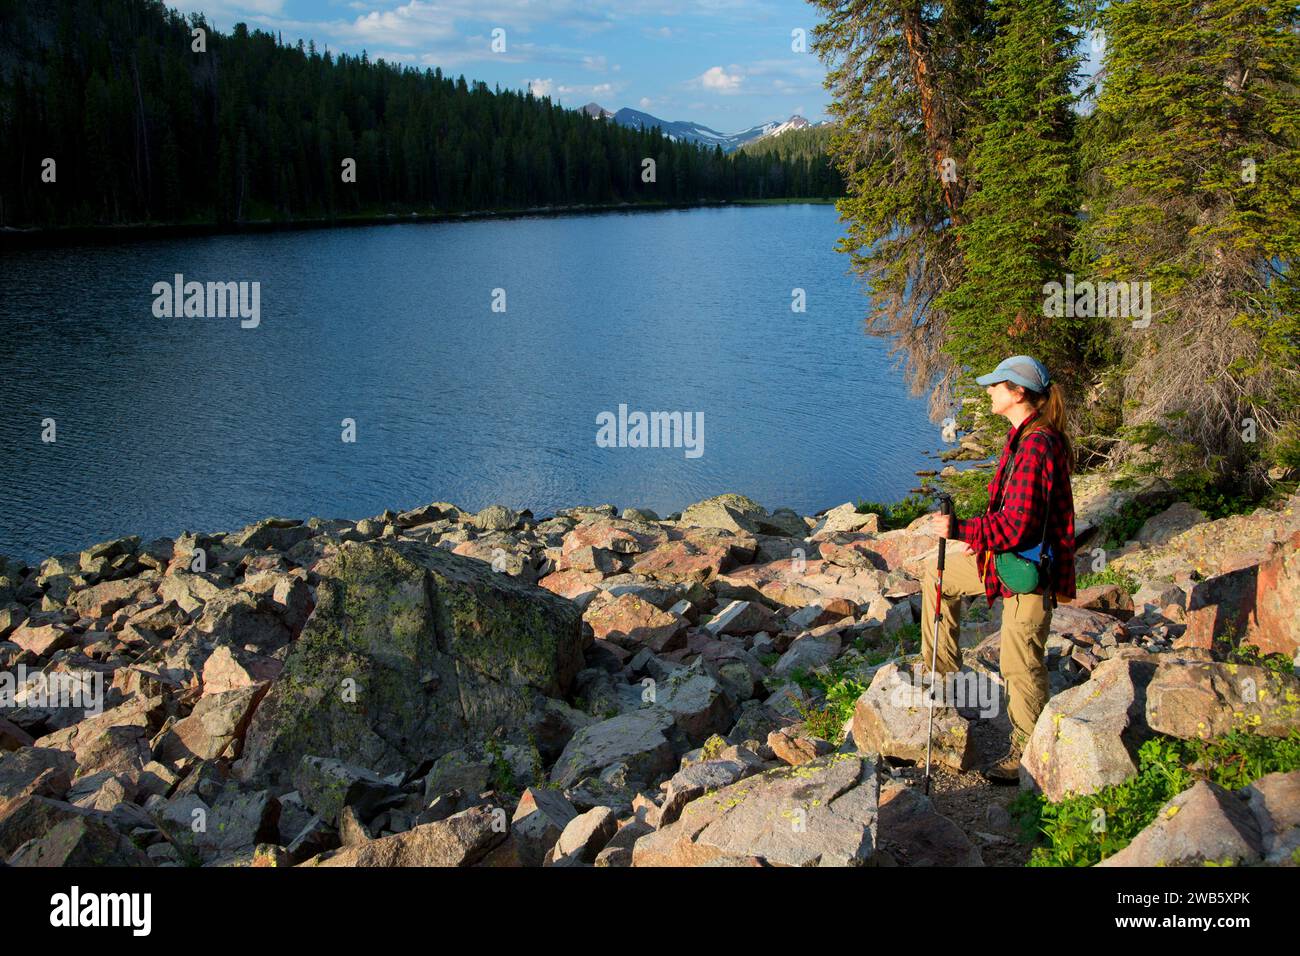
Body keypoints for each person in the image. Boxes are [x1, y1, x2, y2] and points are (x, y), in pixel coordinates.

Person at [920, 355, 1077, 781]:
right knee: (936, 578)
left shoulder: (1037, 445)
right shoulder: (1023, 437)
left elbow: (1019, 524)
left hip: (1030, 571)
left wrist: (962, 529)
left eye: (996, 385)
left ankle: (1027, 757)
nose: (988, 391)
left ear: (1018, 392)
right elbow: (1012, 520)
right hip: (1006, 561)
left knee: (1019, 663)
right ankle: (941, 676)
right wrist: (978, 540)